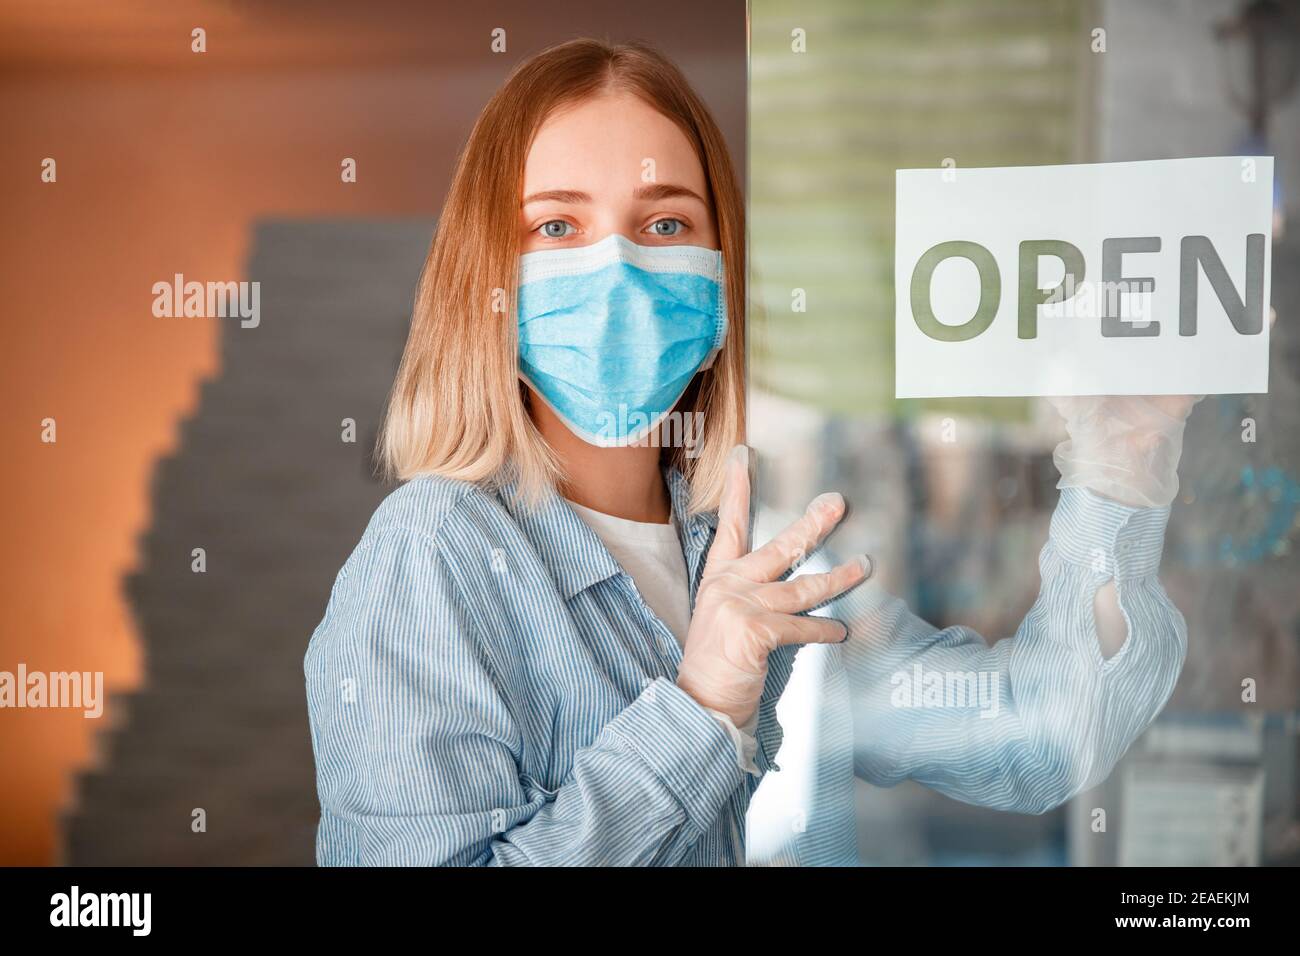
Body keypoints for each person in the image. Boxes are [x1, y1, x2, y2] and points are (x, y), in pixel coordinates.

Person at [303, 38, 1192, 866]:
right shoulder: (433, 556)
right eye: (558, 228)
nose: (616, 271)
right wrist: (700, 713)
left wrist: (1120, 469)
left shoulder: (757, 556)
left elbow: (1039, 734)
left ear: (722, 276)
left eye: (663, 226)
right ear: (485, 278)